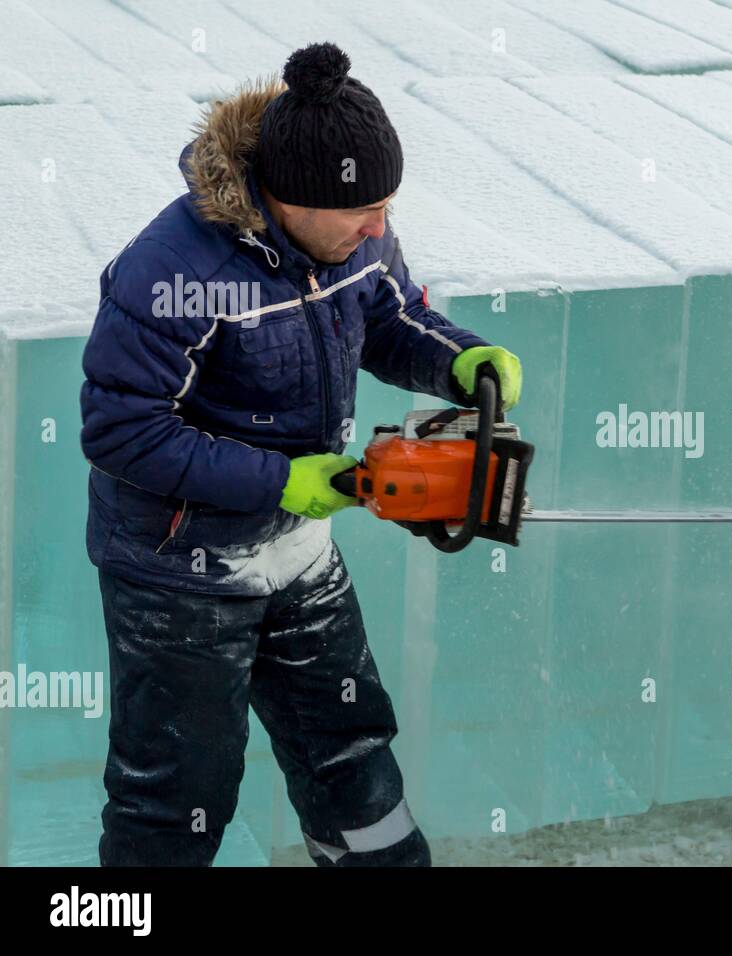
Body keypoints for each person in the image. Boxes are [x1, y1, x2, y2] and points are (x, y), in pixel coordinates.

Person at [78, 41, 521, 866]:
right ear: (291, 198)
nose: (380, 227)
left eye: (387, 207)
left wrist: (458, 358)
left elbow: (389, 319)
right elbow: (121, 431)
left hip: (300, 551)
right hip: (181, 570)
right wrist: (282, 479)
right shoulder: (175, 270)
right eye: (364, 211)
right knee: (176, 796)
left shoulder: (353, 236)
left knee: (351, 753)